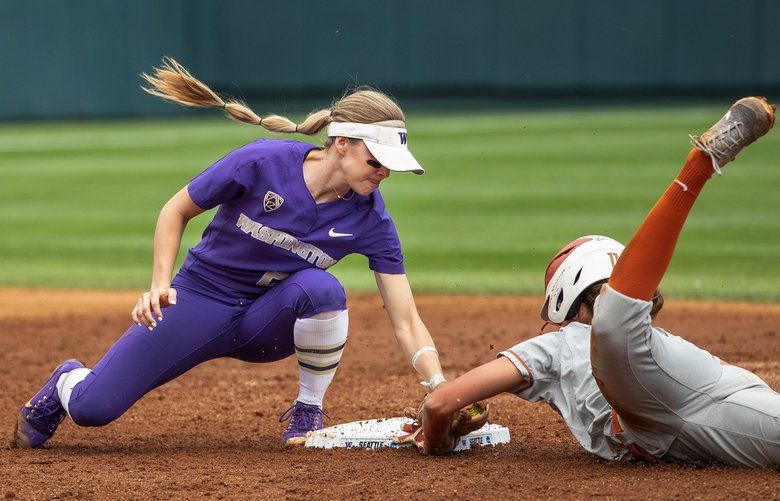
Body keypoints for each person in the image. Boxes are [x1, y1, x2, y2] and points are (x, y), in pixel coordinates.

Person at [15, 58, 448, 449]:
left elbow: (406, 317)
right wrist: (160, 285)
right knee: (93, 409)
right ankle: (66, 381)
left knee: (322, 289)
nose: (384, 172)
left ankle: (307, 410)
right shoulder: (262, 162)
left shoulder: (372, 219)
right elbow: (176, 210)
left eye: (392, 164)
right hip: (199, 299)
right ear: (341, 143)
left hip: (266, 324)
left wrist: (438, 384)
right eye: (376, 160)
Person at [416, 97, 780, 467]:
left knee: (613, 322)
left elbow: (439, 403)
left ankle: (699, 166)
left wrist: (437, 441)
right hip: (700, 400)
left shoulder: (561, 344)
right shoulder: (629, 344)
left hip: (673, 398)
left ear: (564, 294)